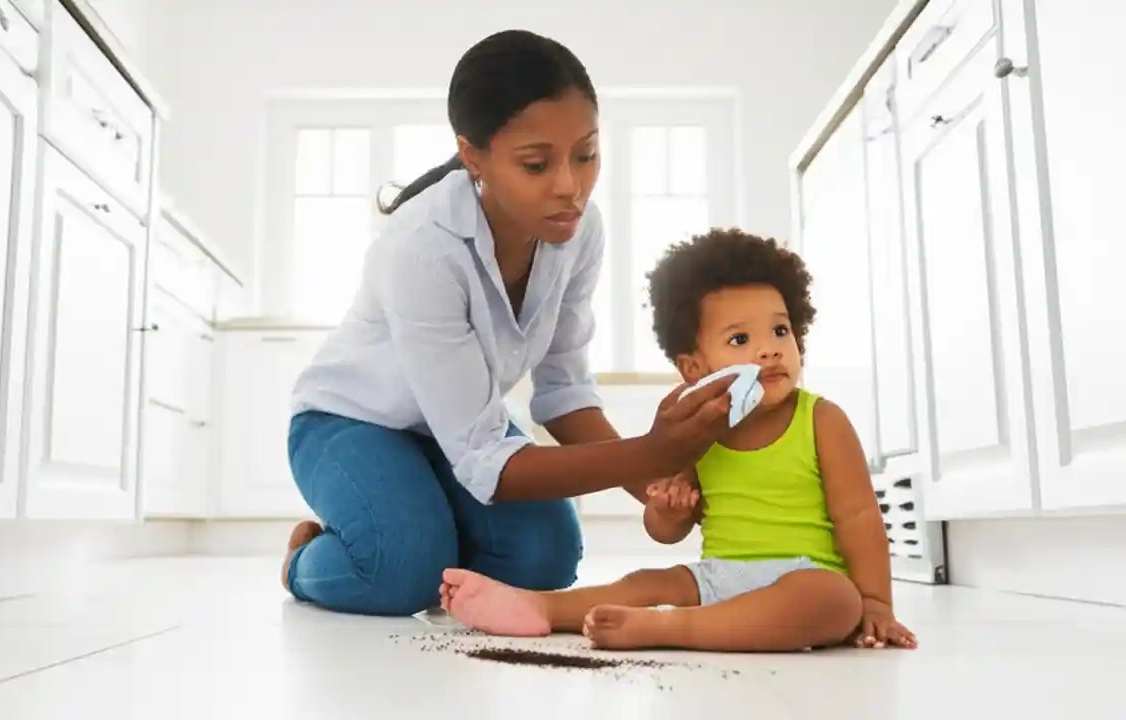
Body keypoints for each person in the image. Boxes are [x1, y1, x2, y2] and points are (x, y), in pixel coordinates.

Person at [281, 29, 734, 617]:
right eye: (536, 164)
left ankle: (419, 533)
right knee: (400, 570)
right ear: (474, 156)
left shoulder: (579, 232)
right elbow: (484, 460)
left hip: (453, 430)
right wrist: (651, 453)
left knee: (545, 558)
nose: (570, 186)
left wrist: (662, 488)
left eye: (586, 155)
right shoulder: (423, 248)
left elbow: (564, 395)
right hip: (350, 421)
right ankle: (307, 561)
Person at [439, 228, 919, 652]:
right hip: (719, 579)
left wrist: (876, 601)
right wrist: (668, 509)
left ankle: (671, 627)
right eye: (740, 340)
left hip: (806, 577)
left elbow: (859, 517)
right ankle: (538, 606)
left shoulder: (822, 420)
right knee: (647, 582)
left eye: (780, 330)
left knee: (836, 600)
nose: (770, 349)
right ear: (694, 368)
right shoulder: (699, 425)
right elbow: (667, 530)